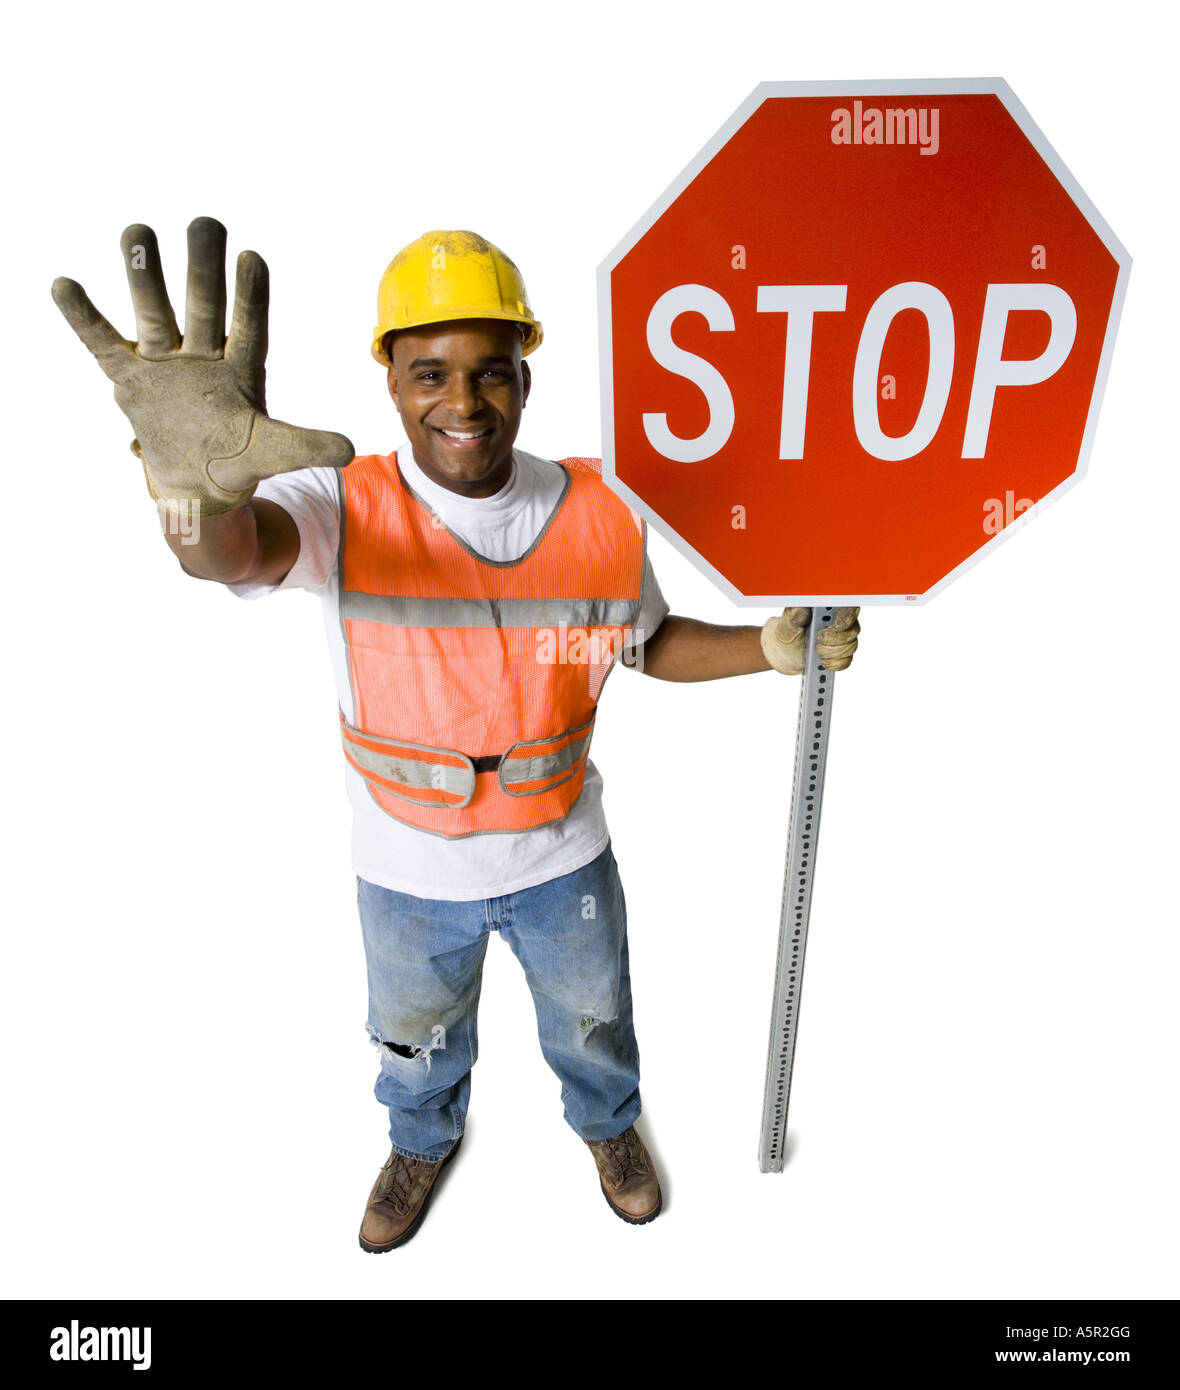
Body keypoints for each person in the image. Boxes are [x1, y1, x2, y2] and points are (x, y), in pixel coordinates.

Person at [52, 219, 859, 1252]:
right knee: (416, 1043)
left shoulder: (605, 505)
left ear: (526, 374)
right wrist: (187, 492)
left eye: (492, 371)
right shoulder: (339, 502)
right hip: (406, 865)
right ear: (389, 377)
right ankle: (421, 1140)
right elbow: (228, 555)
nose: (463, 401)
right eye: (429, 371)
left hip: (561, 851)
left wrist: (770, 647)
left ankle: (609, 1128)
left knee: (593, 1023)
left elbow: (642, 646)